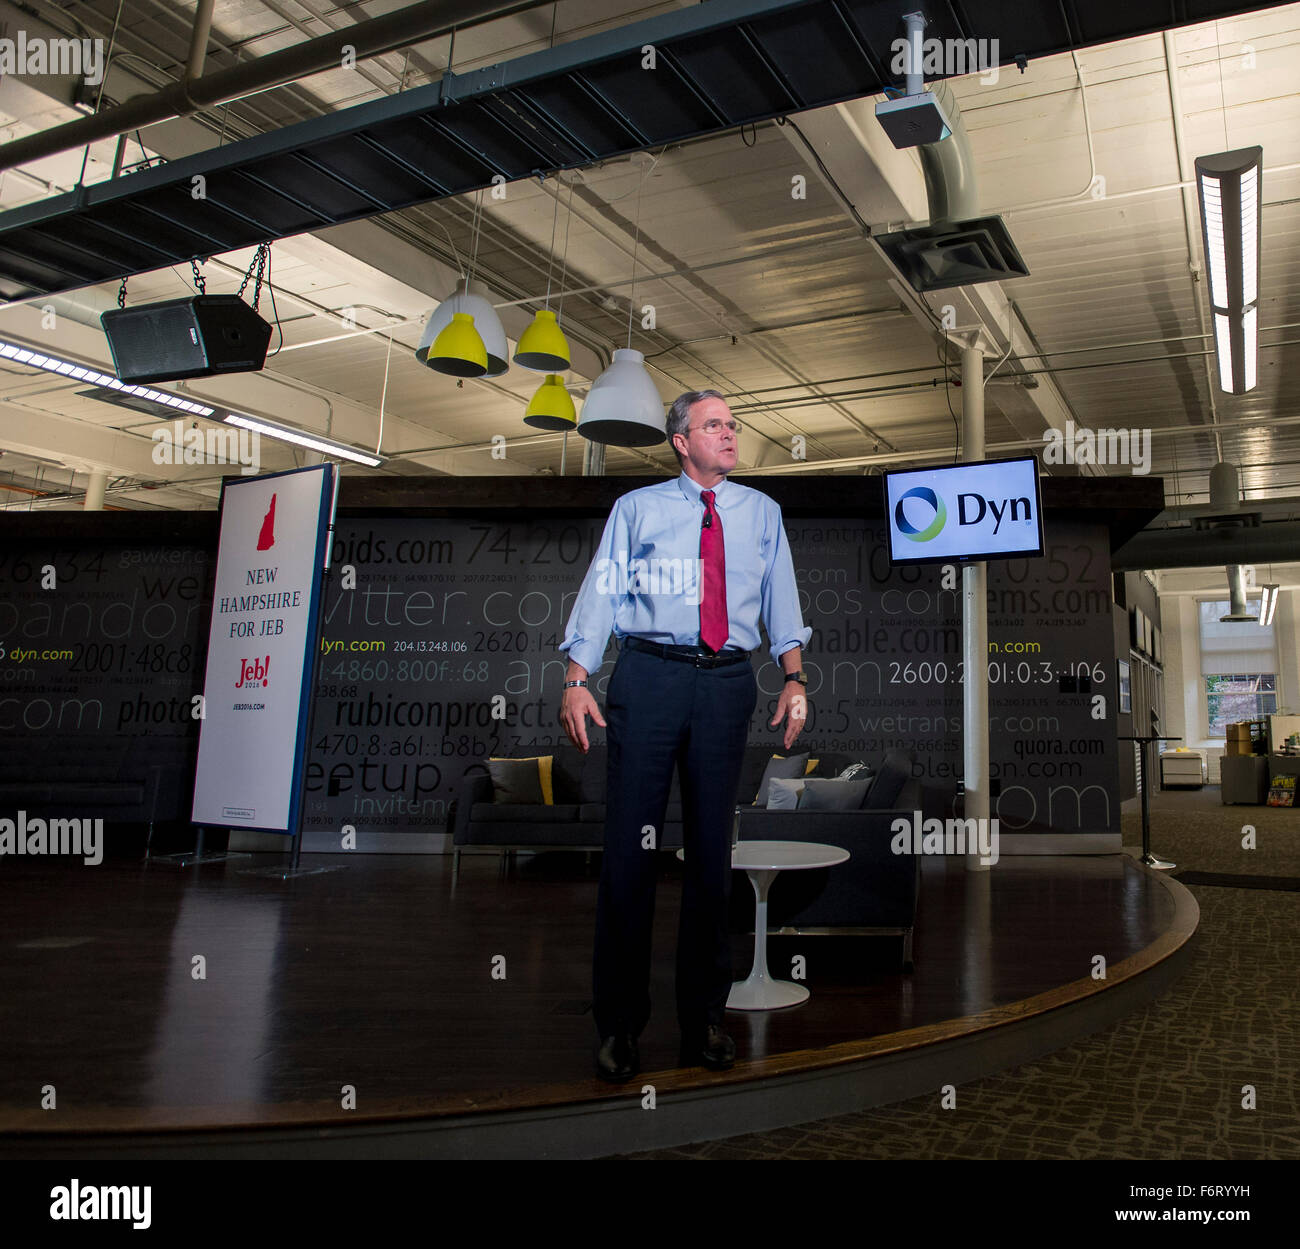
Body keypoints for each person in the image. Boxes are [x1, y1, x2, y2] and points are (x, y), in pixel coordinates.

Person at [559, 389, 811, 1082]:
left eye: (733, 424)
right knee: (628, 853)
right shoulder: (637, 509)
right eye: (714, 425)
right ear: (680, 440)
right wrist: (577, 676)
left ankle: (705, 1016)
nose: (729, 435)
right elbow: (603, 587)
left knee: (709, 855)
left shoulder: (762, 513)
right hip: (649, 676)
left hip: (727, 681)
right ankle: (618, 1024)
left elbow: (781, 597)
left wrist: (794, 677)